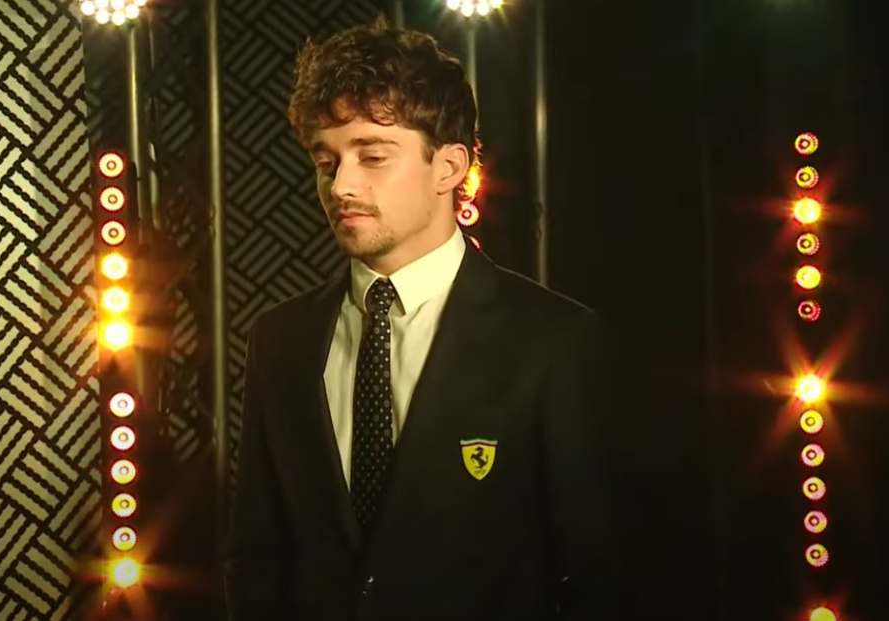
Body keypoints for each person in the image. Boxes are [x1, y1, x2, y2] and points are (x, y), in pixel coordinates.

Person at [225, 17, 629, 621]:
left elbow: (599, 577)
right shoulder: (280, 341)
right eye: (326, 161)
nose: (341, 185)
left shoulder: (552, 342)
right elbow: (258, 561)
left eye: (372, 156)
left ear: (449, 167)